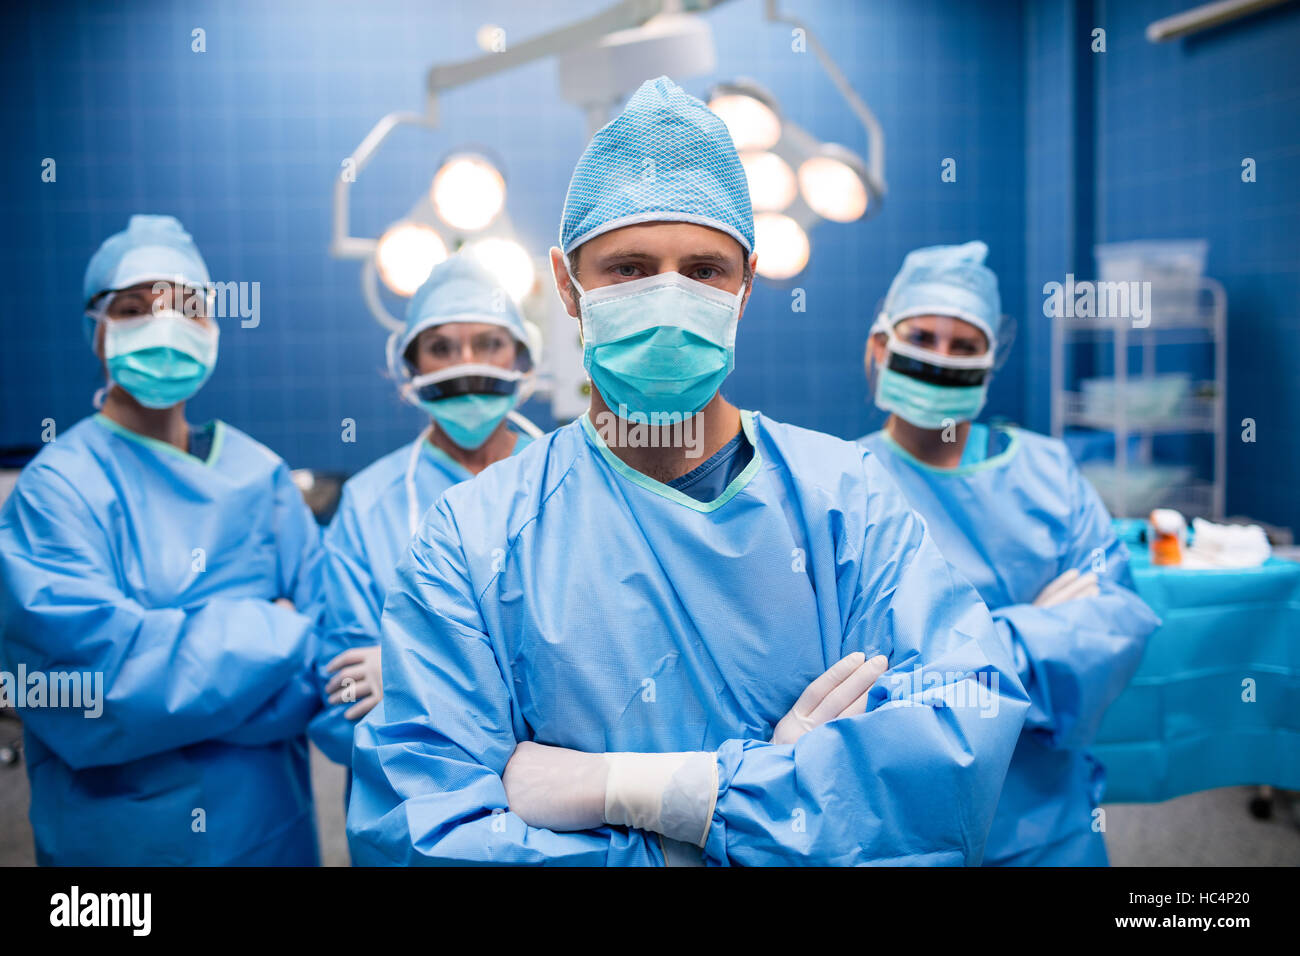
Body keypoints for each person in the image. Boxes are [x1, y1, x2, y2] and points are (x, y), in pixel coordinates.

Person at [347, 77, 1029, 866]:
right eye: (630, 268)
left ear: (747, 285)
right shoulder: (474, 538)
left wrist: (665, 795)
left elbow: (955, 755)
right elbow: (427, 833)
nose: (668, 296)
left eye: (703, 270)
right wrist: (788, 796)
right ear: (567, 285)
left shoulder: (848, 502)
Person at [0, 215, 339, 865]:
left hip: (268, 833)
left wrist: (174, 670)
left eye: (187, 308)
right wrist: (271, 632)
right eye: (134, 308)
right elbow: (92, 691)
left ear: (213, 329)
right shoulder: (57, 491)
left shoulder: (261, 476)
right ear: (98, 332)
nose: (164, 325)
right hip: (120, 853)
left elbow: (324, 659)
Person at [859, 240, 1161, 866]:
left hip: (1046, 820)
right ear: (880, 347)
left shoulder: (1048, 474)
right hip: (907, 820)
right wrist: (1036, 631)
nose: (941, 358)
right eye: (923, 337)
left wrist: (956, 658)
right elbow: (854, 677)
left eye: (964, 345)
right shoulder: (846, 485)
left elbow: (1116, 622)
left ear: (990, 363)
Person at [311, 254, 542, 765]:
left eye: (489, 342)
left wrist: (404, 671)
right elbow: (342, 698)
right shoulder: (369, 503)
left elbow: (603, 667)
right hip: (412, 796)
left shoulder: (569, 481)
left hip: (556, 801)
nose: (465, 363)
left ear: (522, 358)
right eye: (441, 348)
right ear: (411, 367)